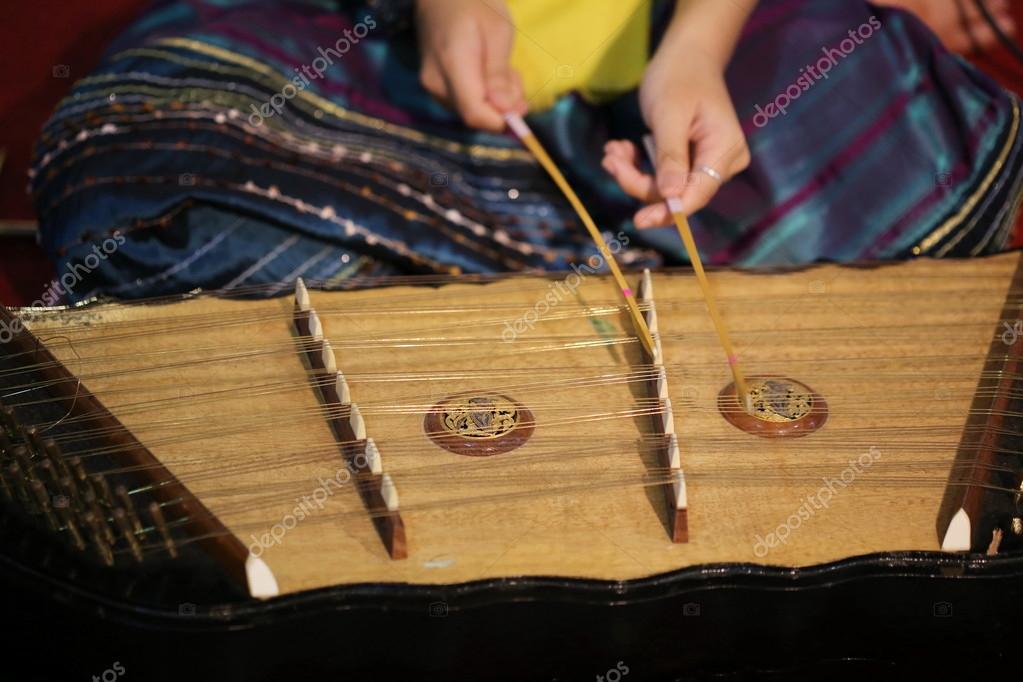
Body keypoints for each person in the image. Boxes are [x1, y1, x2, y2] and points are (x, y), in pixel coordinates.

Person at [30, 0, 1023, 302]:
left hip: (665, 72)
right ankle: (577, 250)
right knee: (134, 154)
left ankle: (433, 254)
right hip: (381, 70)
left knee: (952, 148)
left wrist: (693, 53)